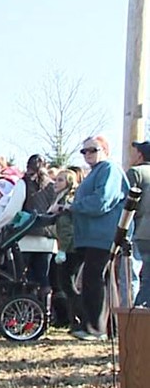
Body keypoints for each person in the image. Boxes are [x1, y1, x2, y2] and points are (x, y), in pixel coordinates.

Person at [68, 136, 125, 340]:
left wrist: (73, 206)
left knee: (94, 279)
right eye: (84, 151)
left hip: (103, 235)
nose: (88, 154)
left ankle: (95, 328)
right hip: (92, 236)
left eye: (93, 149)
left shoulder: (109, 169)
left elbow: (102, 201)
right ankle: (111, 328)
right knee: (105, 281)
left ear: (105, 150)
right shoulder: (95, 172)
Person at [18, 155, 59, 312]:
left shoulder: (24, 183)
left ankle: (28, 312)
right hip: (48, 237)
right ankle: (46, 312)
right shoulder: (52, 186)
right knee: (44, 278)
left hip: (27, 234)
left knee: (25, 278)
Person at [47, 169, 81, 327]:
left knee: (67, 283)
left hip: (71, 248)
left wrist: (63, 249)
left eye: (60, 180)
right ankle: (72, 317)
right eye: (56, 179)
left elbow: (67, 228)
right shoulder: (59, 199)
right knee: (64, 283)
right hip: (65, 245)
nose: (56, 183)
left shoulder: (67, 200)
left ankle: (77, 317)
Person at [128, 141, 150, 307]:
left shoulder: (136, 173)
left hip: (141, 231)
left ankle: (134, 315)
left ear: (140, 155)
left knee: (134, 276)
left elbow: (127, 205)